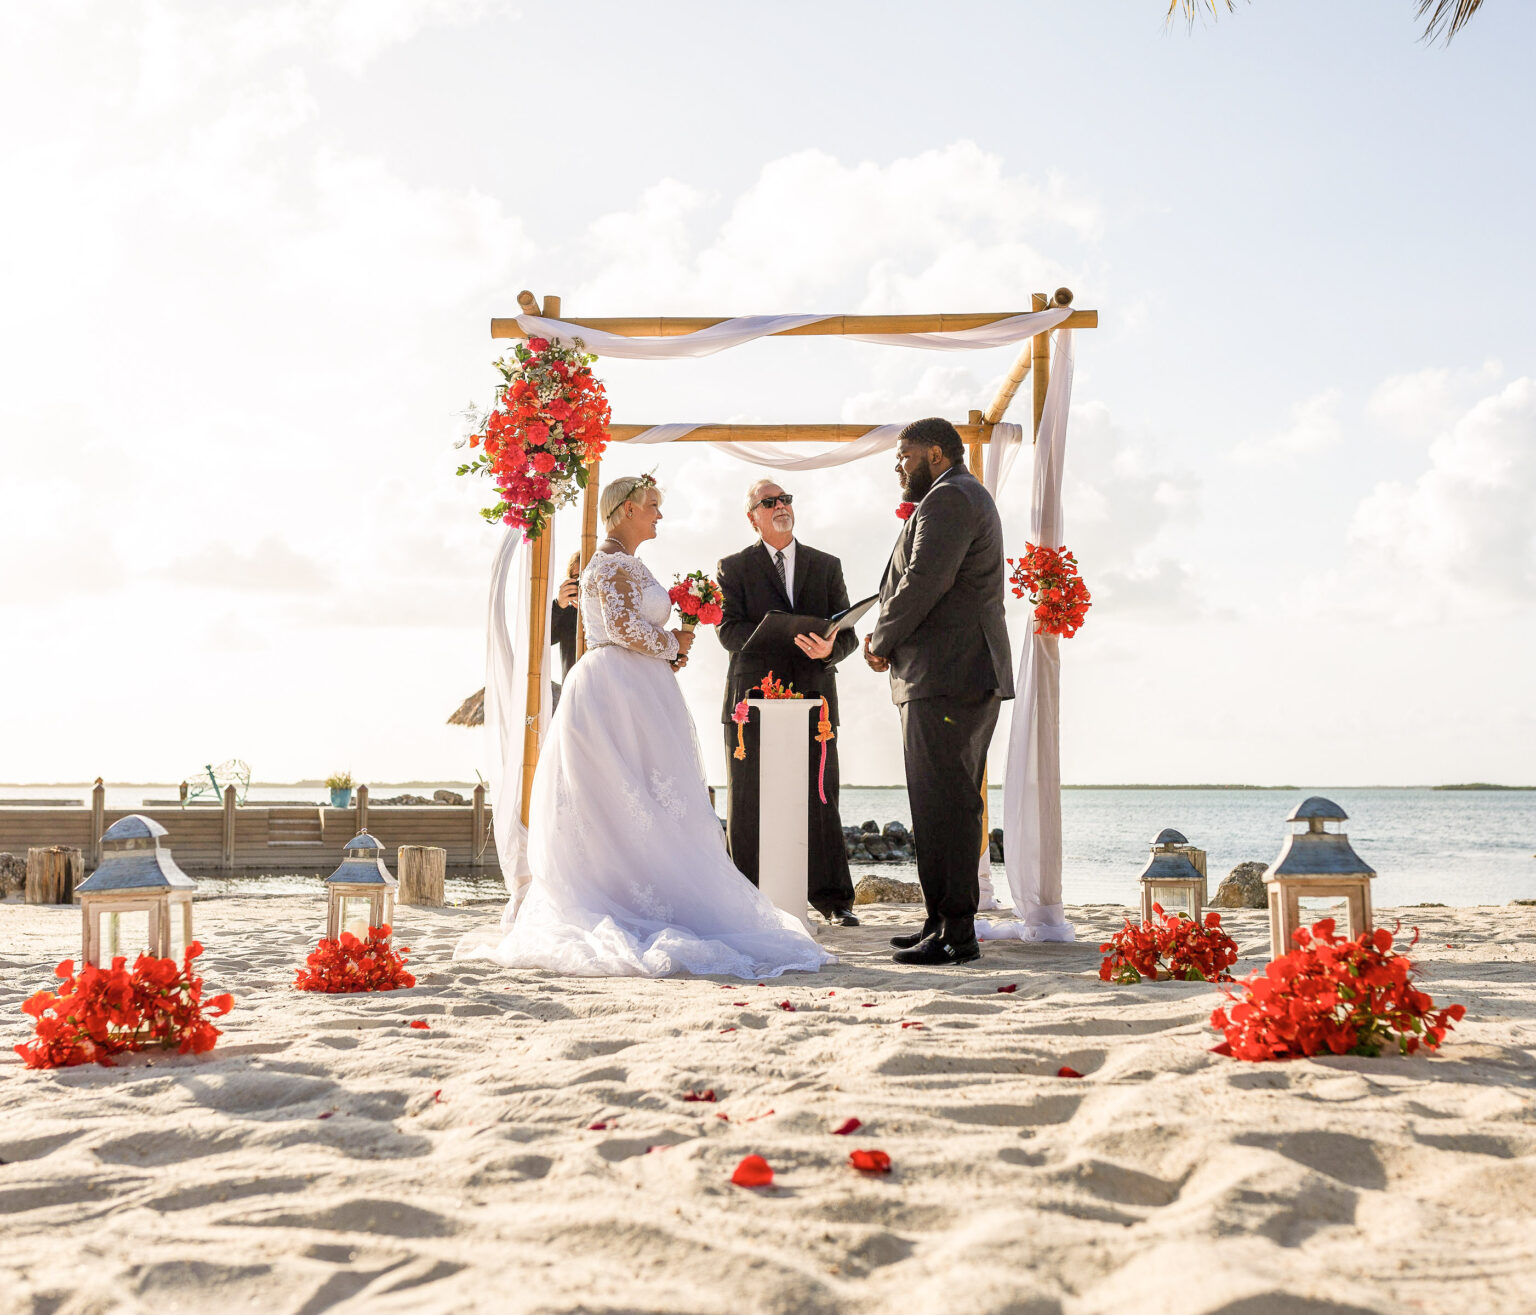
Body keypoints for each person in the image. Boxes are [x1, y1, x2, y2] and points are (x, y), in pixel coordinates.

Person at [462, 474, 832, 979]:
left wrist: (669, 644)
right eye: (653, 506)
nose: (660, 514)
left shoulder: (630, 563)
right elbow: (620, 630)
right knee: (619, 796)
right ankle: (620, 895)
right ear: (626, 510)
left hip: (640, 688)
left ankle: (655, 888)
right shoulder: (610, 563)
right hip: (613, 690)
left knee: (651, 794)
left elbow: (636, 629)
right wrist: (673, 644)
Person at [865, 418, 1013, 966]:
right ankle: (940, 920)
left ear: (933, 452)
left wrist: (881, 639)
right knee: (938, 803)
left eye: (903, 456)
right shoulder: (957, 495)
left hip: (949, 674)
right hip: (949, 674)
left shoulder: (950, 497)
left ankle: (957, 934)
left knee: (946, 804)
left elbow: (925, 578)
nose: (898, 467)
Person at [717, 479, 860, 926]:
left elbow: (849, 633)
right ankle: (744, 901)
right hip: (753, 698)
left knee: (821, 794)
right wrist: (773, 637)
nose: (780, 506)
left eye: (786, 500)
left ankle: (834, 901)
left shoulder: (826, 565)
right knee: (747, 799)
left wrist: (829, 650)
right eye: (769, 502)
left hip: (814, 700)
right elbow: (727, 631)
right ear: (752, 516)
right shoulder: (733, 567)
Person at [548, 550, 581, 709]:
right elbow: (542, 639)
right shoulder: (566, 614)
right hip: (572, 698)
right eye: (576, 579)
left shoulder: (611, 614)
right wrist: (558, 605)